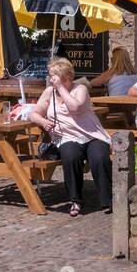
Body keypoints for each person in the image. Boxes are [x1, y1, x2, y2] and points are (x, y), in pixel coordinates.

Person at [29, 56, 112, 217]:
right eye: (51, 76)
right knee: (70, 156)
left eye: (55, 76)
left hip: (91, 135)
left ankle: (107, 200)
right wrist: (42, 121)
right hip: (66, 137)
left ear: (66, 77)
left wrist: (61, 87)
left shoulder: (80, 89)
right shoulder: (49, 92)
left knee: (99, 157)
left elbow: (75, 107)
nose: (51, 79)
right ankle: (76, 200)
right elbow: (33, 113)